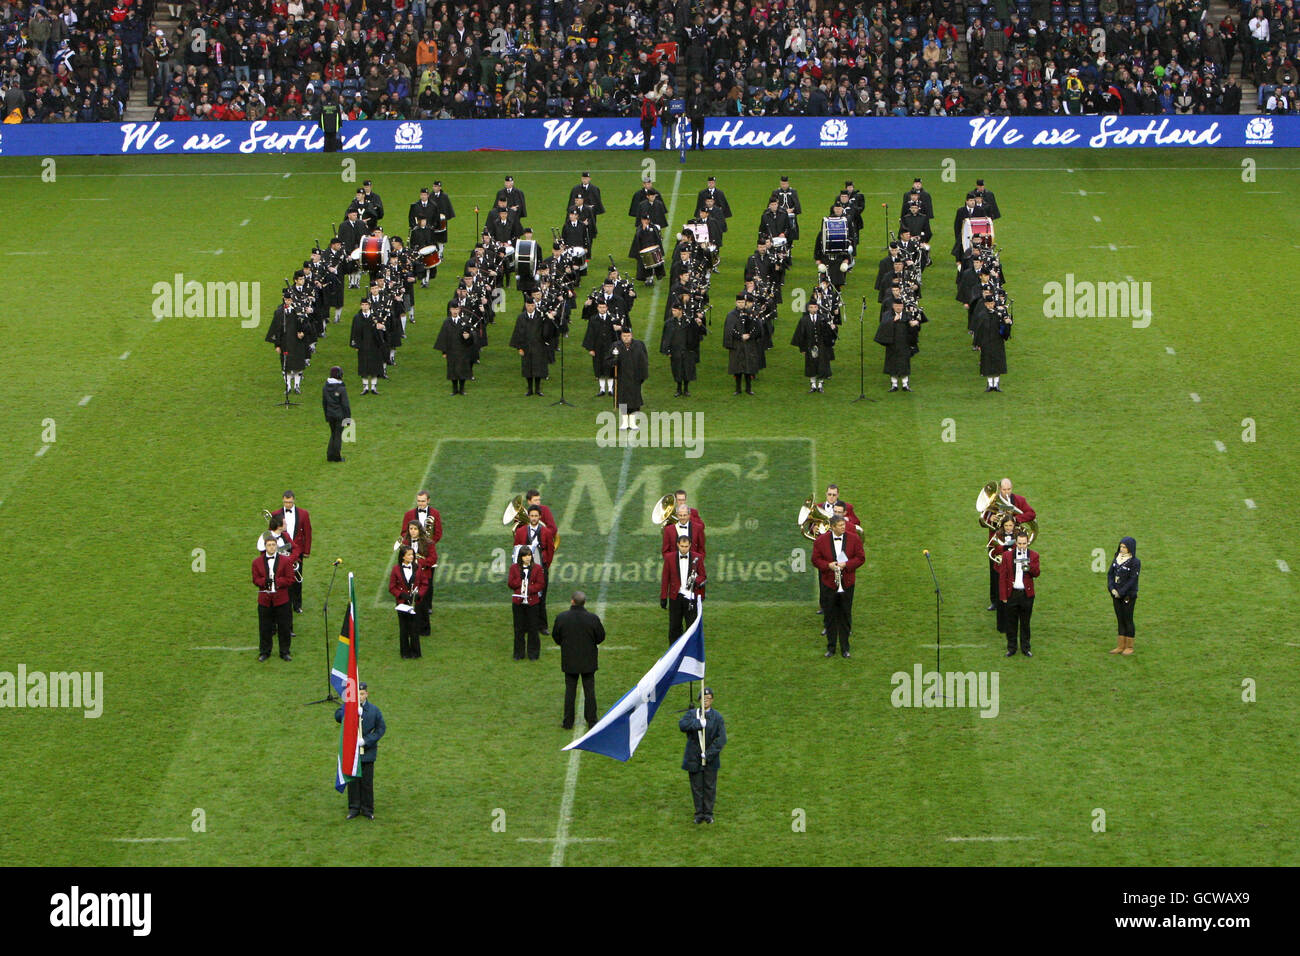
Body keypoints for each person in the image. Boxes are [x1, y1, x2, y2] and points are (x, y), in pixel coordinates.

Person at [552, 590, 605, 729]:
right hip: (588, 660)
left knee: (570, 690)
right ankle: (592, 721)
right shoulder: (592, 618)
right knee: (589, 690)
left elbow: (556, 637)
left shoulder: (562, 617)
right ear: (584, 602)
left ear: (572, 601)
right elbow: (600, 637)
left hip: (569, 659)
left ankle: (568, 722)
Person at [813, 515, 864, 658]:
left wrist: (846, 565)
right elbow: (815, 559)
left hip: (847, 584)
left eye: (844, 525)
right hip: (829, 584)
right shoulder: (820, 541)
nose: (844, 527)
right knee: (830, 616)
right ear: (832, 527)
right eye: (840, 525)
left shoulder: (854, 539)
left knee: (845, 615)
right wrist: (828, 565)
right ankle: (831, 647)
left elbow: (861, 558)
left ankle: (845, 648)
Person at [334, 682, 385, 819]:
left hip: (367, 753)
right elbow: (337, 716)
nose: (360, 697)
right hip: (352, 753)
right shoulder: (349, 707)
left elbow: (381, 729)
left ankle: (368, 809)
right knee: (353, 782)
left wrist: (367, 741)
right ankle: (354, 808)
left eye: (362, 694)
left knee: (367, 782)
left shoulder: (374, 710)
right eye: (358, 694)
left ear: (367, 694)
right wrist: (349, 710)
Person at [679, 686, 726, 823]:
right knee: (697, 787)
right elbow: (682, 725)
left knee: (710, 787)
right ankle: (699, 814)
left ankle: (708, 814)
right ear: (699, 700)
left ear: (712, 700)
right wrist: (698, 723)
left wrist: (709, 754)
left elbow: (722, 739)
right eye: (703, 698)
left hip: (710, 759)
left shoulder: (717, 717)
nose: (706, 701)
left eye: (709, 699)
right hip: (694, 757)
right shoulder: (692, 714)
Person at [252, 531, 297, 662]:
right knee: (264, 627)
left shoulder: (286, 561)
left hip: (282, 600)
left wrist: (277, 582)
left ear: (276, 546)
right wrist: (263, 582)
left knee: (284, 627)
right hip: (265, 600)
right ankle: (265, 651)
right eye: (269, 545)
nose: (271, 547)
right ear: (265, 546)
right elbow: (255, 579)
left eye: (273, 545)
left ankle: (285, 652)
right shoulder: (256, 562)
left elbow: (290, 579)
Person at [513, 505, 556, 633]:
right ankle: (526, 625)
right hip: (525, 569)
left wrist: (545, 564)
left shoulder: (546, 532)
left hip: (541, 569)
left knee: (541, 598)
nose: (533, 518)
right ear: (529, 517)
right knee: (525, 596)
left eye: (536, 516)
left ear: (540, 517)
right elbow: (516, 548)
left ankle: (542, 626)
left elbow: (550, 549)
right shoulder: (520, 532)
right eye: (531, 516)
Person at [998, 530, 1039, 657]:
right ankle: (1011, 648)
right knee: (1011, 623)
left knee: (1025, 623)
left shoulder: (1034, 555)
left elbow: (1036, 573)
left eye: (1024, 543)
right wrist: (1003, 596)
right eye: (1020, 543)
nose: (1022, 546)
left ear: (1028, 543)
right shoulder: (1007, 556)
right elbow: (1003, 576)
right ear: (1016, 543)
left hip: (1026, 595)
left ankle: (1026, 648)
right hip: (1012, 594)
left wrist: (1029, 565)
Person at [661, 534, 706, 646]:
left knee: (691, 626)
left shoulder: (698, 557)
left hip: (690, 597)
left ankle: (691, 650)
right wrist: (663, 597)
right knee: (674, 627)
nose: (684, 549)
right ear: (677, 545)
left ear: (690, 545)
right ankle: (673, 651)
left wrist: (696, 581)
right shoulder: (669, 558)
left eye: (686, 546)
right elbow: (665, 579)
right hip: (675, 597)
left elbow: (703, 576)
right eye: (682, 546)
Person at [271, 491, 311, 614]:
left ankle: (297, 604)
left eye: (290, 502)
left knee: (297, 578)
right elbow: (272, 534)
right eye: (285, 502)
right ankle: (283, 603)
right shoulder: (276, 514)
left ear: (294, 500)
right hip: (282, 552)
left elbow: (308, 533)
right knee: (282, 577)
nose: (288, 504)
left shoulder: (303, 514)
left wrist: (306, 551)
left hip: (296, 551)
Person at [389, 545, 428, 659]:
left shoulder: (418, 567)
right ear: (403, 557)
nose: (412, 557)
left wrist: (418, 595)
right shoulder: (396, 569)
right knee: (404, 628)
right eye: (409, 555)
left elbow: (424, 584)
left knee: (414, 628)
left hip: (415, 603)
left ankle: (416, 652)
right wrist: (402, 595)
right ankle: (405, 653)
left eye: (412, 554)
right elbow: (392, 587)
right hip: (402, 604)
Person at [608, 327, 649, 431]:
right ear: (621, 336)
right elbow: (608, 361)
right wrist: (614, 359)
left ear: (632, 335)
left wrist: (642, 376)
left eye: (628, 336)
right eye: (624, 336)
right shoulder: (616, 346)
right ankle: (625, 422)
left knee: (635, 400)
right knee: (623, 400)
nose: (626, 338)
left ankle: (633, 422)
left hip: (635, 377)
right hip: (621, 378)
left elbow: (644, 361)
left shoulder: (639, 345)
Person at [508, 548, 546, 660]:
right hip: (518, 603)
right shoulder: (514, 568)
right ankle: (518, 654)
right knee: (518, 629)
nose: (527, 557)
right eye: (525, 556)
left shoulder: (538, 568)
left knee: (533, 628)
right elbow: (510, 583)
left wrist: (528, 588)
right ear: (520, 557)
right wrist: (522, 584)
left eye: (529, 555)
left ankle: (533, 654)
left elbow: (540, 584)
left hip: (532, 603)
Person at [791, 299, 836, 393]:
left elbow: (830, 333)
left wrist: (833, 328)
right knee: (811, 364)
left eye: (815, 307)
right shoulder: (804, 320)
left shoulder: (823, 318)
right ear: (808, 309)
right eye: (811, 307)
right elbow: (800, 335)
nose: (813, 309)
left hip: (822, 345)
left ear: (818, 307)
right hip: (809, 346)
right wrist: (802, 348)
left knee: (822, 364)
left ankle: (820, 384)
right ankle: (813, 384)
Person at [1108, 536, 1140, 656]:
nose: (1122, 549)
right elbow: (1110, 574)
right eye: (1121, 546)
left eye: (1124, 547)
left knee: (1128, 619)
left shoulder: (1135, 562)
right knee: (1120, 619)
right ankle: (1120, 645)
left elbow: (1132, 580)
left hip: (1128, 596)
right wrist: (1111, 588)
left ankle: (1129, 646)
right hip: (1116, 594)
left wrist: (1121, 592)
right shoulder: (1117, 558)